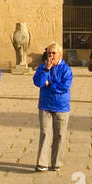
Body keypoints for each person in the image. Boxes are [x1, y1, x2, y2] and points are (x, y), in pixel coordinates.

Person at [33, 42, 72, 171]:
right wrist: (46, 69)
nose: (51, 56)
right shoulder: (42, 67)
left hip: (61, 106)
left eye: (53, 53)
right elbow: (38, 82)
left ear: (60, 54)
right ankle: (42, 163)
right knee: (45, 133)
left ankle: (56, 163)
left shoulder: (66, 69)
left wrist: (50, 84)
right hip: (45, 105)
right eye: (49, 53)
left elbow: (65, 86)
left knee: (60, 135)